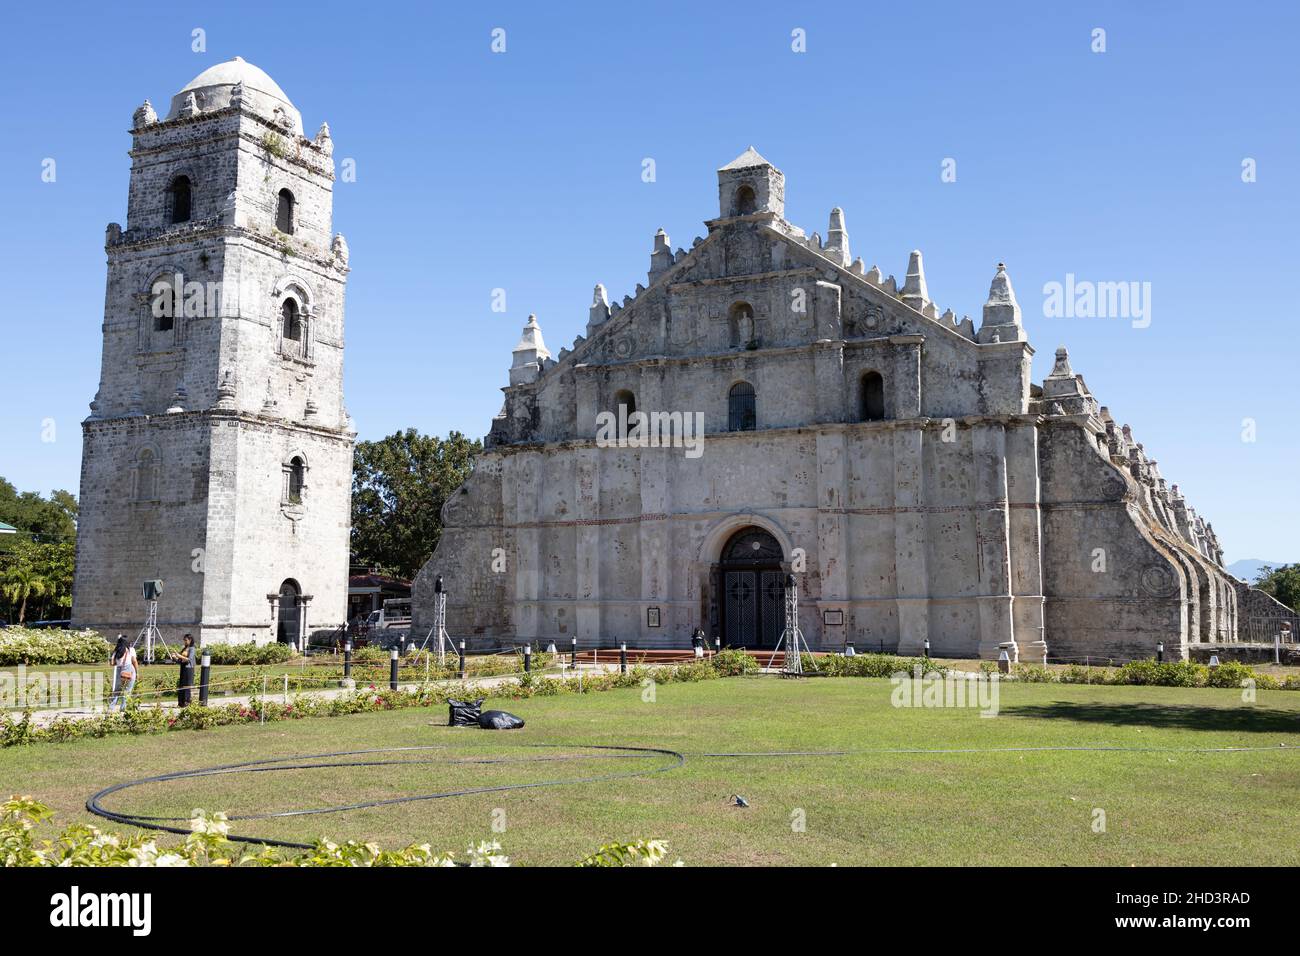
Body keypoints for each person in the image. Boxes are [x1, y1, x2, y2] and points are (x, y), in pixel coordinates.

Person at [109, 634, 138, 712]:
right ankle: (123, 708)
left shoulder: (116, 651)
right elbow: (134, 661)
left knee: (117, 691)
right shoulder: (131, 650)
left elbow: (112, 663)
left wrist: (119, 663)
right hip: (129, 670)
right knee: (127, 691)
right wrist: (137, 672)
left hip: (119, 671)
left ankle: (111, 708)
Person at [171, 633, 198, 707]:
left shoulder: (192, 648)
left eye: (186, 640)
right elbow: (180, 660)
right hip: (183, 668)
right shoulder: (184, 648)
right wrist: (174, 657)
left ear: (190, 640)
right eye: (184, 640)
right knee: (181, 686)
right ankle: (181, 703)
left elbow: (189, 659)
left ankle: (187, 702)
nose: (185, 642)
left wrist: (179, 655)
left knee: (186, 686)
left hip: (189, 669)